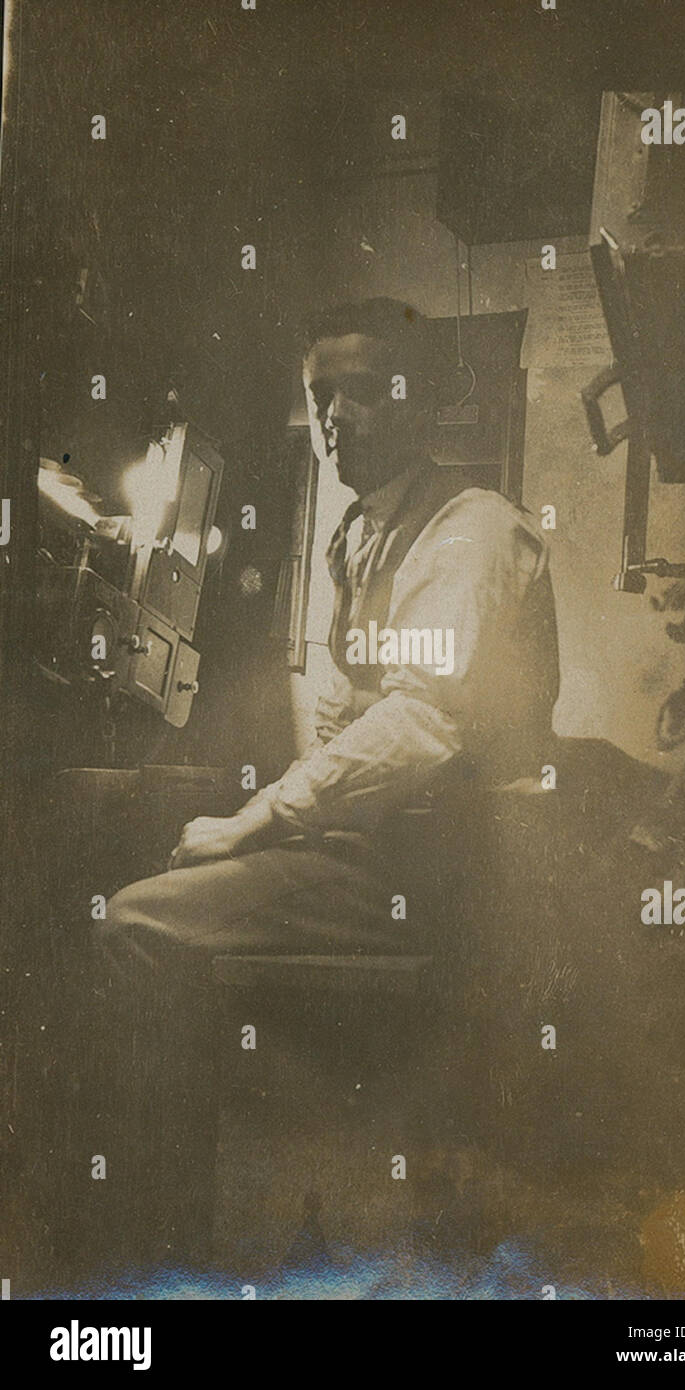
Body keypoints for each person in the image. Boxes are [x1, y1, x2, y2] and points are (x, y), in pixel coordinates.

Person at [94, 296, 560, 1265]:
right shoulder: (363, 534)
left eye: (362, 392)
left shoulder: (473, 530)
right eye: (320, 397)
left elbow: (424, 721)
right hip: (379, 857)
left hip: (440, 876)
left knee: (133, 921)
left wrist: (257, 821)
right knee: (109, 826)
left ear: (422, 401)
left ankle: (144, 1243)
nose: (336, 417)